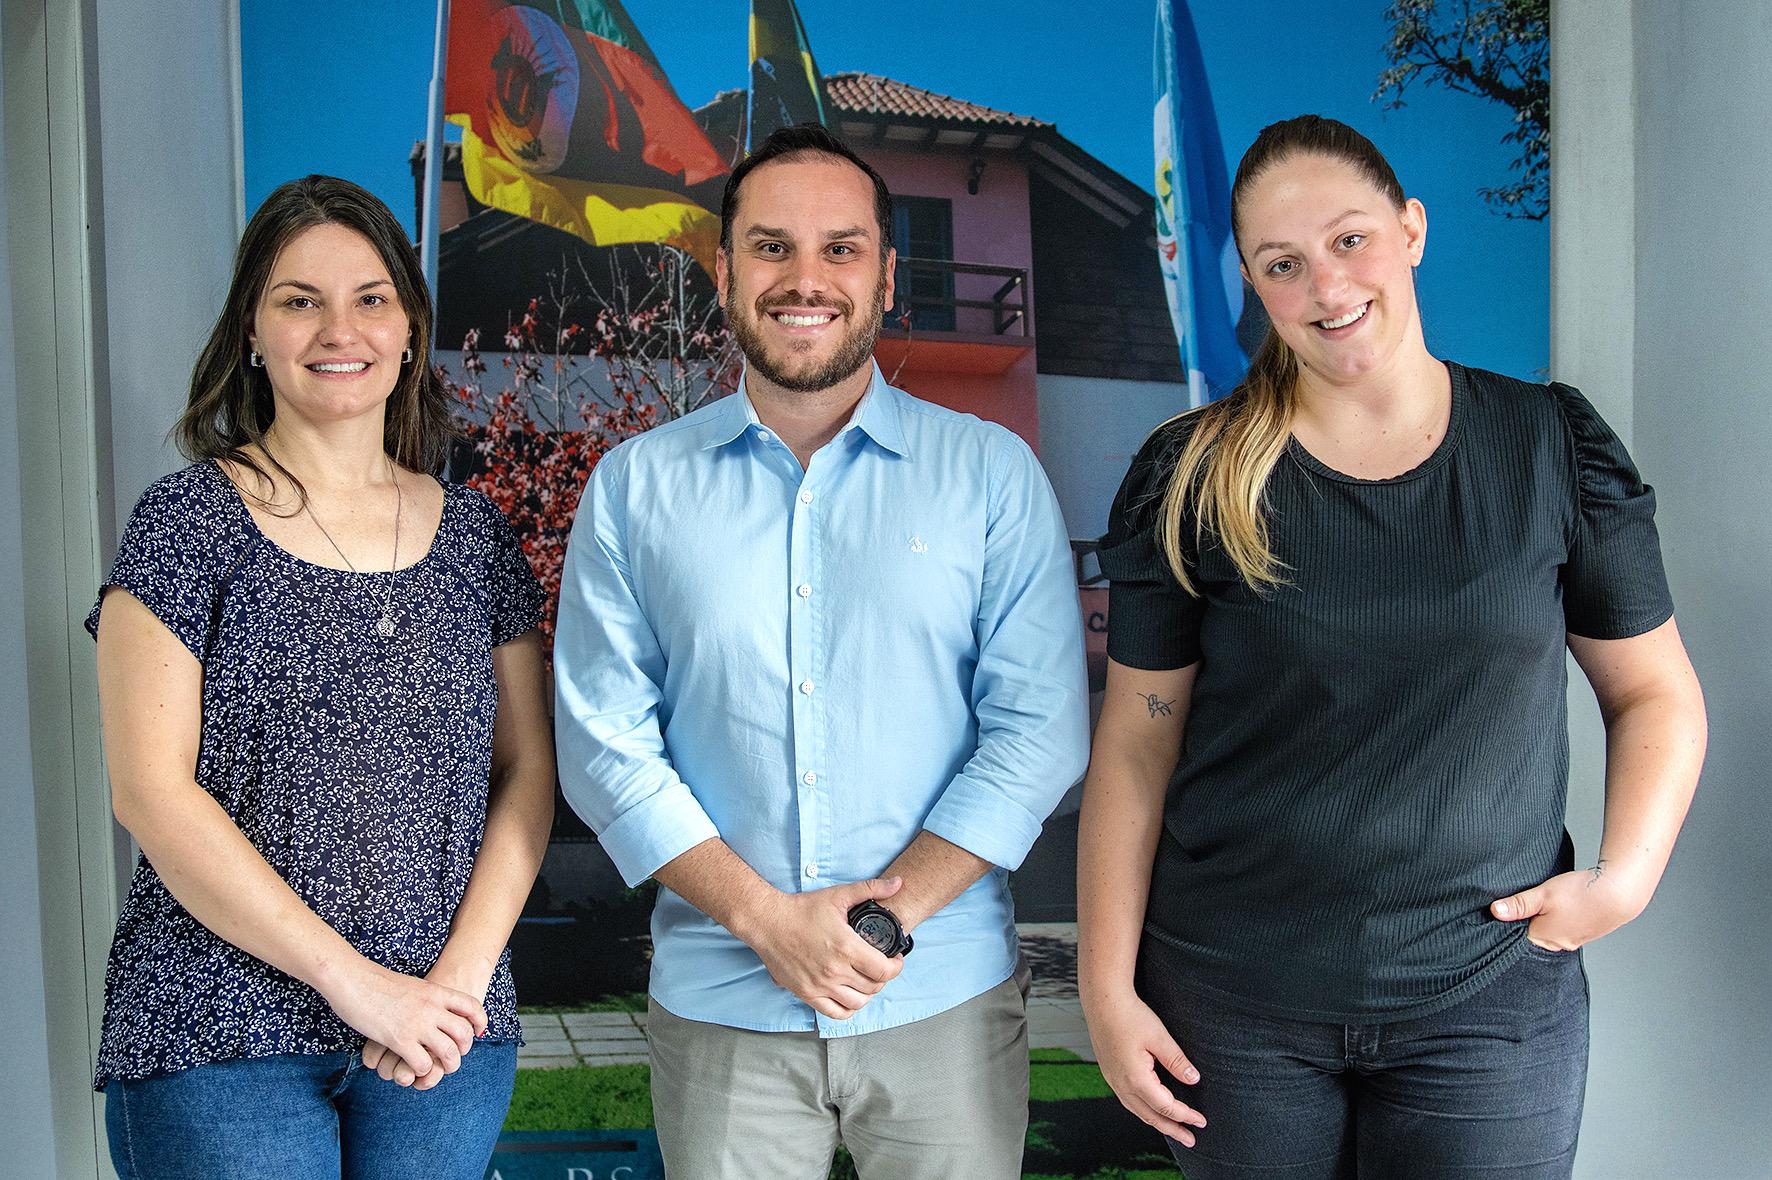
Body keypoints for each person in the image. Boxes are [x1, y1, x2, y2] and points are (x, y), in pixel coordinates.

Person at [1077, 115, 1706, 1180]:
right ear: (1253, 281)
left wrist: (1625, 879)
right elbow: (1137, 745)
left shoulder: (1546, 446)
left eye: (1348, 240)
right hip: (1231, 1007)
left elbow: (1652, 692)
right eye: (1283, 264)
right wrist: (1104, 986)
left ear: (1409, 229)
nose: (1325, 288)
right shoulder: (1187, 473)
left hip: (1486, 1004)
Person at [553, 123, 1090, 1180]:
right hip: (718, 1007)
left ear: (887, 277)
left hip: (939, 996)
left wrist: (885, 922)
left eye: (840, 248)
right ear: (722, 273)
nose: (805, 279)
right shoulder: (633, 486)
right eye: (770, 247)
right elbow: (602, 740)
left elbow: (1037, 730)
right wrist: (764, 920)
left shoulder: (988, 473)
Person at [89, 175, 555, 1179]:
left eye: (370, 297)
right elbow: (151, 793)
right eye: (298, 299)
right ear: (252, 331)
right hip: (219, 1036)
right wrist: (360, 987)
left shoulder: (475, 537)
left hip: (443, 1037)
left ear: (407, 328)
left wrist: (456, 986)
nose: (337, 327)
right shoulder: (185, 525)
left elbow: (526, 776)